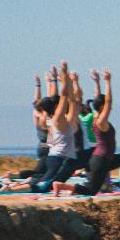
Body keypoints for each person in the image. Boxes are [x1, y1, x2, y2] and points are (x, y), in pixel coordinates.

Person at [57, 70, 120, 196]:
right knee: (91, 191)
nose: (110, 108)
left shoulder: (95, 116)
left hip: (105, 159)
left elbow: (98, 100)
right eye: (106, 106)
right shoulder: (100, 121)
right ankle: (61, 186)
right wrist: (107, 81)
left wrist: (97, 82)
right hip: (100, 160)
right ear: (102, 107)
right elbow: (108, 102)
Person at [30, 63, 83, 192]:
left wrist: (69, 82)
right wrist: (64, 75)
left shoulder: (62, 120)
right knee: (43, 187)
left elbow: (74, 101)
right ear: (55, 107)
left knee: (43, 184)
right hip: (59, 159)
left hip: (58, 158)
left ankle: (20, 185)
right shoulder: (58, 120)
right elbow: (64, 97)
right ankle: (8, 188)